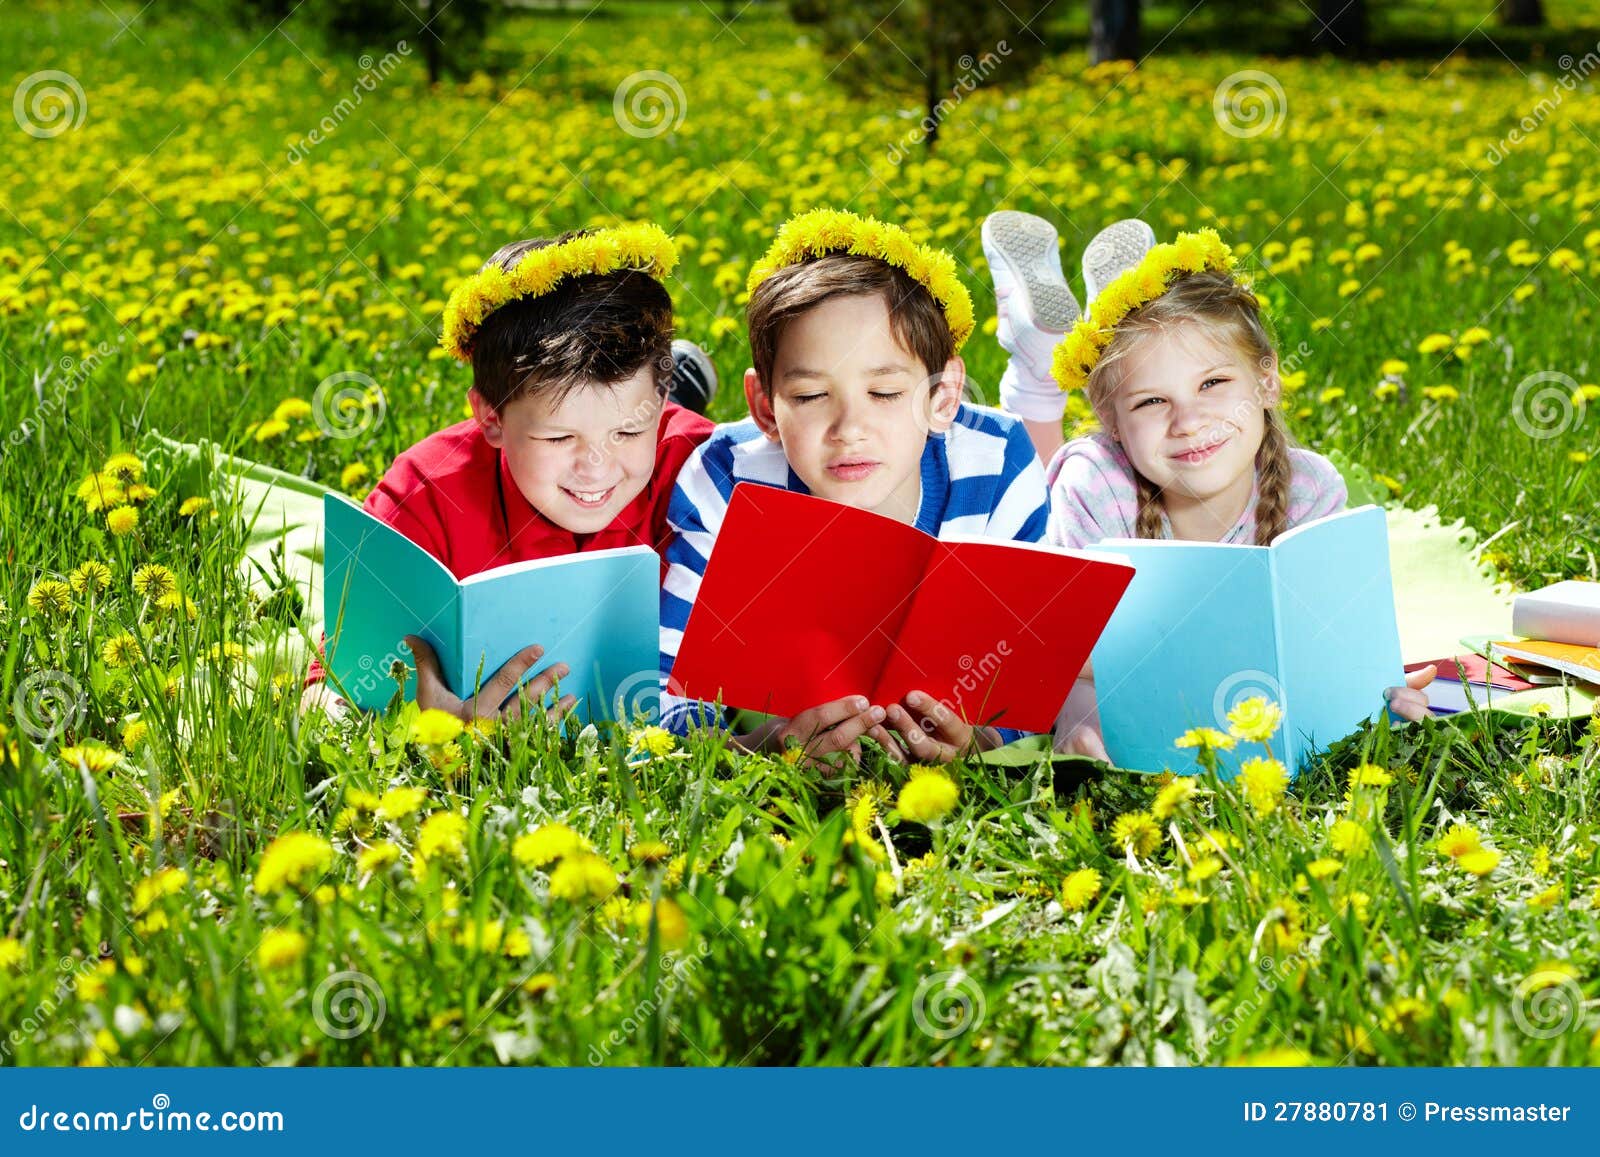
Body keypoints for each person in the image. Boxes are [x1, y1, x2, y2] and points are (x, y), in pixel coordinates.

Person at [981, 211, 1432, 760]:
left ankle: (1108, 312)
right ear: (1111, 418)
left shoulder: (1311, 488)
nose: (1188, 422)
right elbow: (1060, 651)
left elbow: (1330, 643)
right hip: (1101, 646)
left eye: (1213, 383)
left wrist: (1373, 690)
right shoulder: (1095, 481)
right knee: (1087, 717)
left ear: (1266, 381)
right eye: (1152, 401)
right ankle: (1037, 360)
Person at [659, 209, 1049, 766]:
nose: (850, 431)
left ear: (942, 397)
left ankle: (1037, 374)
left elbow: (1029, 682)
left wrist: (979, 745)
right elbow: (667, 691)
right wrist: (760, 749)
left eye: (885, 393)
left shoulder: (998, 465)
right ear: (765, 408)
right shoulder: (724, 482)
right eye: (812, 397)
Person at [301, 224, 716, 722]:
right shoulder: (424, 490)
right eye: (559, 438)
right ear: (491, 418)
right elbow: (325, 690)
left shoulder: (702, 467)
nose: (597, 467)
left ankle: (684, 377)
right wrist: (421, 723)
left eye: (628, 432)